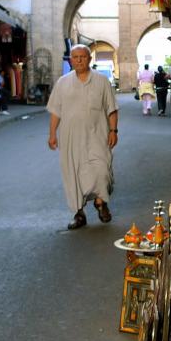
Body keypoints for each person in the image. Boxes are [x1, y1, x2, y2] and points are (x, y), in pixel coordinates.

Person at [46, 44, 118, 229]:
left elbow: (112, 109)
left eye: (83, 57)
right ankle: (79, 213)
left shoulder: (102, 81)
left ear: (89, 59)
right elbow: (55, 111)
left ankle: (101, 204)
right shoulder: (62, 82)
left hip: (98, 134)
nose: (79, 60)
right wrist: (52, 133)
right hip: (71, 138)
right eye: (75, 57)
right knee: (74, 174)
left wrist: (113, 131)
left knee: (102, 169)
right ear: (71, 60)